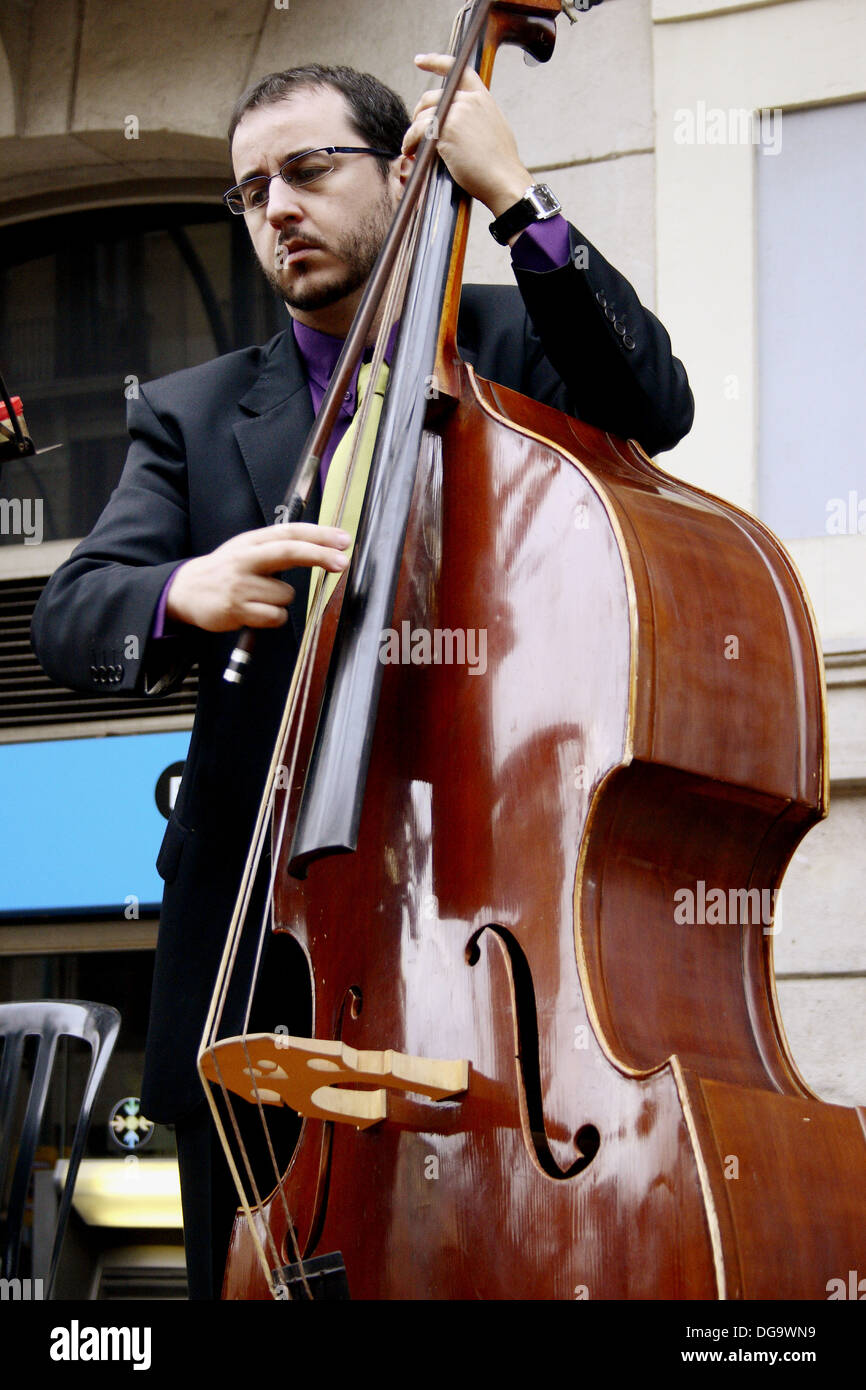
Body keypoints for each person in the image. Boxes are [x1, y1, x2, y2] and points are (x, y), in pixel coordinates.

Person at [31, 54, 694, 1298]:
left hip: (489, 924)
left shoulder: (512, 336)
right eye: (248, 192)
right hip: (255, 934)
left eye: (305, 170)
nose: (274, 207)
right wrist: (187, 588)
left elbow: (654, 403)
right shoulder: (189, 412)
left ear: (401, 170)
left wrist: (516, 198)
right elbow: (69, 619)